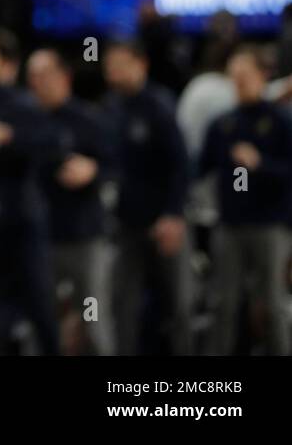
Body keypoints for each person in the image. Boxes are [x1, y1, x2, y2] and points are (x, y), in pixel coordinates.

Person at [0, 30, 60, 355]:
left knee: (40, 303)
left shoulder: (22, 103)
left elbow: (50, 147)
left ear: (6, 66)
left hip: (22, 219)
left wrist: (8, 138)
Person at [199, 46, 292, 355]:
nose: (239, 82)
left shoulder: (280, 120)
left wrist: (260, 163)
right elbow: (198, 168)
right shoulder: (222, 124)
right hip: (229, 225)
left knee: (272, 304)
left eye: (245, 75)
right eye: (234, 77)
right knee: (223, 303)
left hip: (269, 225)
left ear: (262, 75)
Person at [102, 39, 192, 355]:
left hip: (164, 222)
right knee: (122, 305)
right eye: (109, 65)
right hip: (127, 224)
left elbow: (181, 165)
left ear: (141, 65)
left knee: (179, 305)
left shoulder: (160, 105)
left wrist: (173, 214)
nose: (112, 71)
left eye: (120, 64)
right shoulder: (111, 107)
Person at [27, 48, 116, 355]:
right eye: (33, 77)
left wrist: (93, 171)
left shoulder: (87, 119)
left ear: (64, 77)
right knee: (42, 321)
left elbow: (114, 166)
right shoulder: (27, 120)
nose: (38, 83)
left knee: (93, 318)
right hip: (40, 237)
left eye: (44, 75)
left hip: (84, 236)